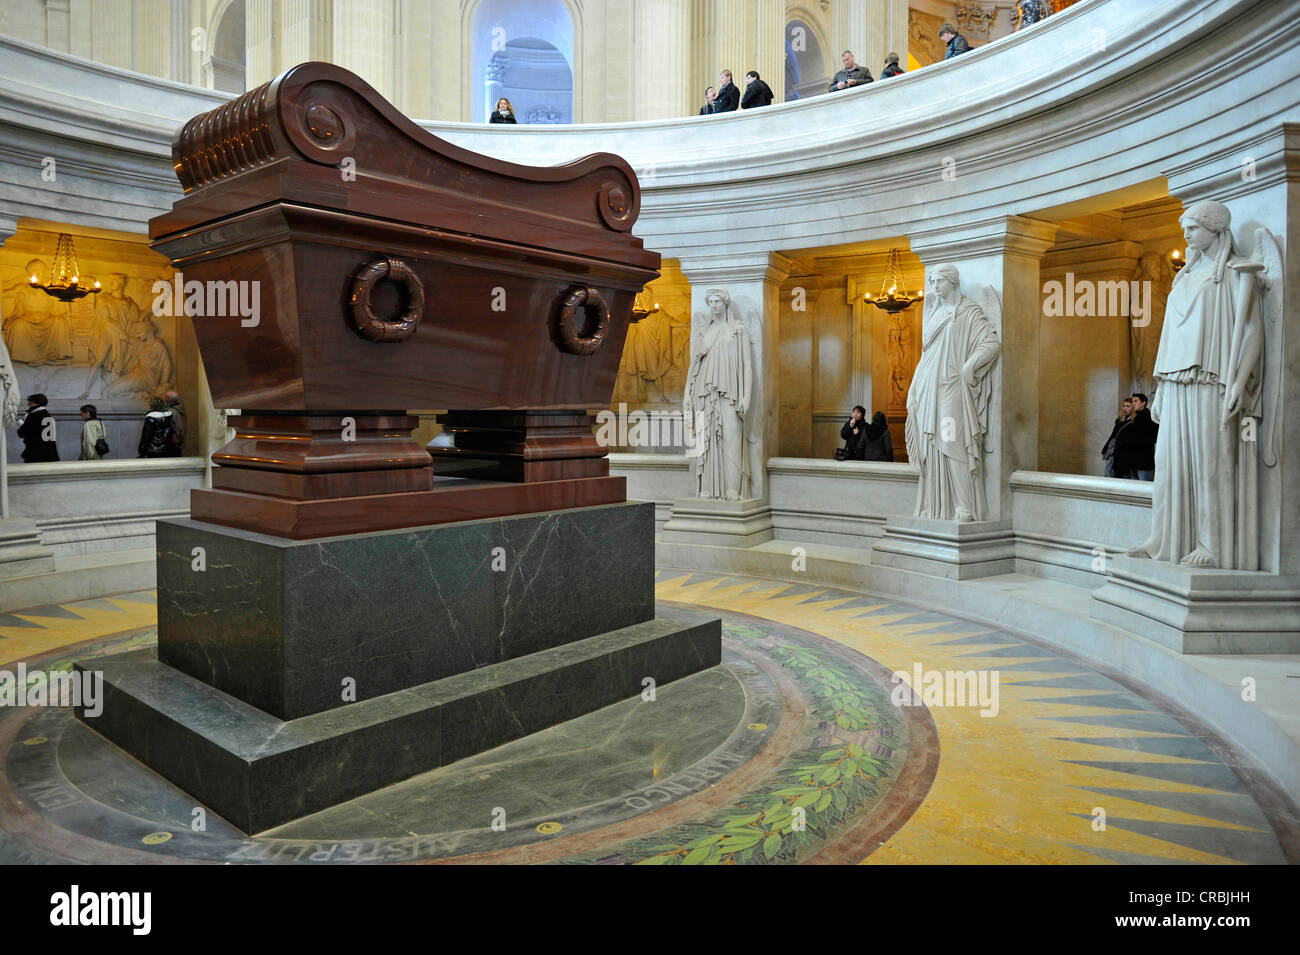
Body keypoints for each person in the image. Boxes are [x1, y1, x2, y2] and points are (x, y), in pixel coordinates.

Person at [1129, 200, 1267, 569]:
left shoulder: (1236, 273)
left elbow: (1252, 332)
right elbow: (1168, 335)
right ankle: (1164, 537)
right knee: (1169, 462)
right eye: (1184, 227)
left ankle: (1212, 542)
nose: (1186, 234)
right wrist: (1159, 386)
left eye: (1192, 227)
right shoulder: (1184, 276)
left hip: (1211, 380)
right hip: (1175, 382)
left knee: (1210, 462)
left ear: (1215, 230)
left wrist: (1239, 381)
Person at [905, 264, 1000, 522]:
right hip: (928, 386)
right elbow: (925, 356)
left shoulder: (969, 312)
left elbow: (992, 343)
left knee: (951, 441)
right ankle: (936, 505)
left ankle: (964, 506)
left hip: (952, 386)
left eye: (939, 281)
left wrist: (969, 365)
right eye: (932, 281)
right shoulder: (936, 314)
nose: (934, 286)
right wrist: (913, 389)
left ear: (953, 282)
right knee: (930, 444)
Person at [683, 288, 752, 500]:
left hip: (729, 391)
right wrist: (687, 395)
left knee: (731, 437)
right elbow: (693, 366)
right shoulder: (705, 332)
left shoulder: (737, 330)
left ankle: (732, 488)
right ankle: (708, 488)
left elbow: (747, 366)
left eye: (717, 301)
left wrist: (746, 396)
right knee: (707, 440)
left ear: (725, 303)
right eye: (710, 302)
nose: (713, 305)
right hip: (703, 392)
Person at [1112, 392, 1157, 481]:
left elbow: (1152, 437)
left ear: (1143, 403)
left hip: (1143, 459)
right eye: (1132, 401)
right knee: (1134, 486)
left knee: (1144, 486)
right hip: (1133, 459)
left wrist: (1130, 442)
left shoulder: (1148, 417)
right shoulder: (1136, 417)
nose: (1133, 404)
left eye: (1136, 401)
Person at [16, 393, 59, 462]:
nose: (28, 404)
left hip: (35, 453)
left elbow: (21, 433)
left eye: (30, 402)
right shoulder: (48, 415)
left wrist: (23, 425)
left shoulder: (33, 415)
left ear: (35, 403)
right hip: (50, 453)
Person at [1100, 398, 1133, 477]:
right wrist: (1105, 450)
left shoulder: (1133, 421)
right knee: (1114, 473)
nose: (1125, 408)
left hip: (1126, 453)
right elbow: (1113, 435)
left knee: (1125, 476)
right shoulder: (1119, 420)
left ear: (1133, 407)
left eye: (1128, 406)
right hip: (1116, 452)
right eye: (1124, 406)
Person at [164, 388, 186, 456]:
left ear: (170, 399)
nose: (164, 398)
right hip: (178, 440)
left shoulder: (171, 411)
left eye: (166, 397)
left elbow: (176, 427)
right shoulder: (179, 409)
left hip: (173, 441)